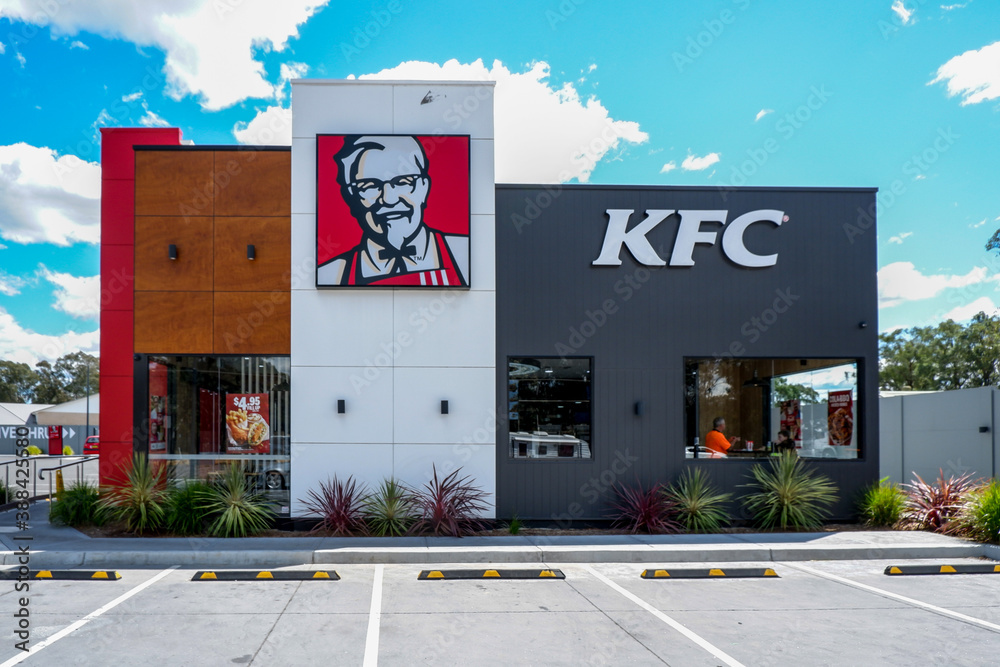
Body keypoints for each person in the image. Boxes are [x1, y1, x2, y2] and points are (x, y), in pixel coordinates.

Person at [317, 135, 470, 287]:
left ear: (424, 188)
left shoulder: (463, 254)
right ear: (350, 198)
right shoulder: (332, 275)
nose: (389, 199)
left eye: (403, 182)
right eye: (369, 185)